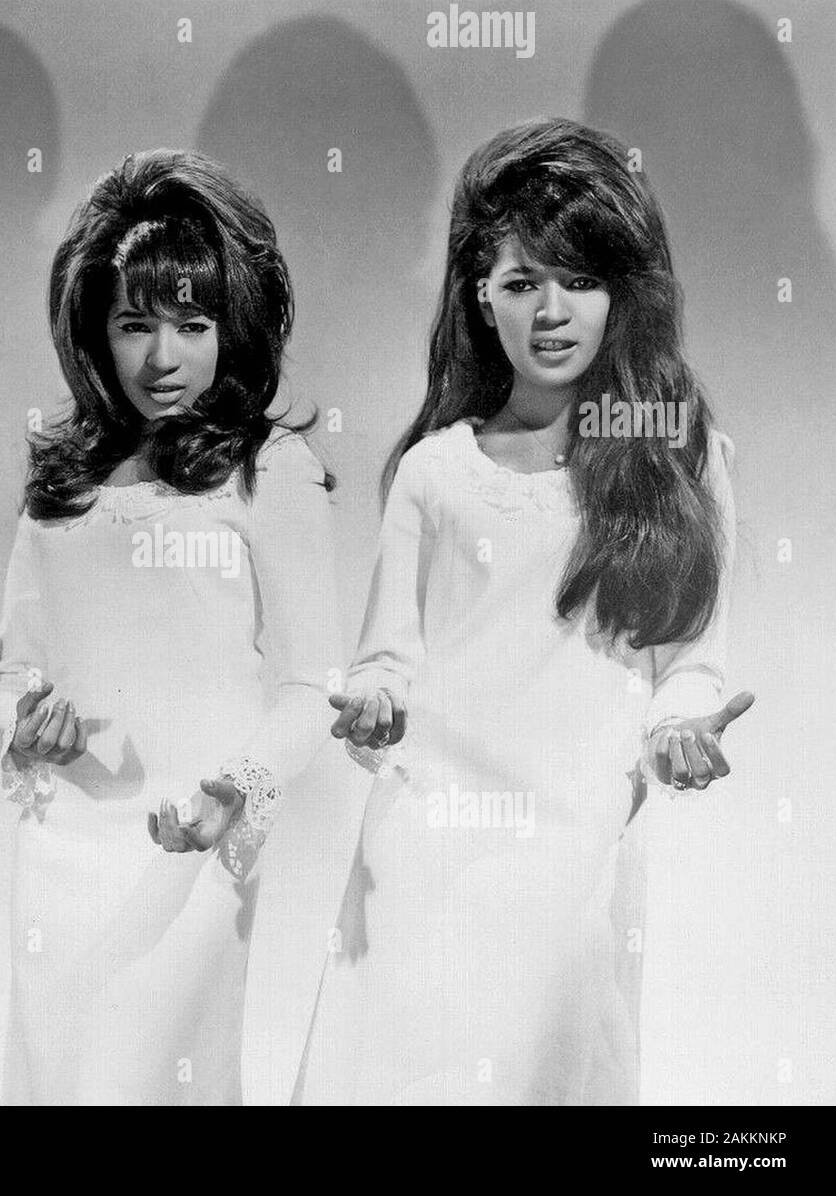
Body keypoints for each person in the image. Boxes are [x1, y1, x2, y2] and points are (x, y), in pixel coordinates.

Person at [306, 118, 753, 1104]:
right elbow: (385, 658)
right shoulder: (434, 471)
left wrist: (679, 728)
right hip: (424, 853)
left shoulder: (678, 455)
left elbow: (691, 658)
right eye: (520, 282)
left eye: (579, 280)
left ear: (621, 291)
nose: (551, 310)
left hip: (574, 854)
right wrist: (370, 700)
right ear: (479, 295)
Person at [0, 149, 338, 1104]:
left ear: (236, 326)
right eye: (135, 325)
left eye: (191, 323)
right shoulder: (64, 483)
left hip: (191, 844)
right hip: (60, 854)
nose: (161, 358)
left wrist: (240, 787)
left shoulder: (272, 470)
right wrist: (22, 725)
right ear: (95, 332)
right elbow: (13, 667)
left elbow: (311, 689)